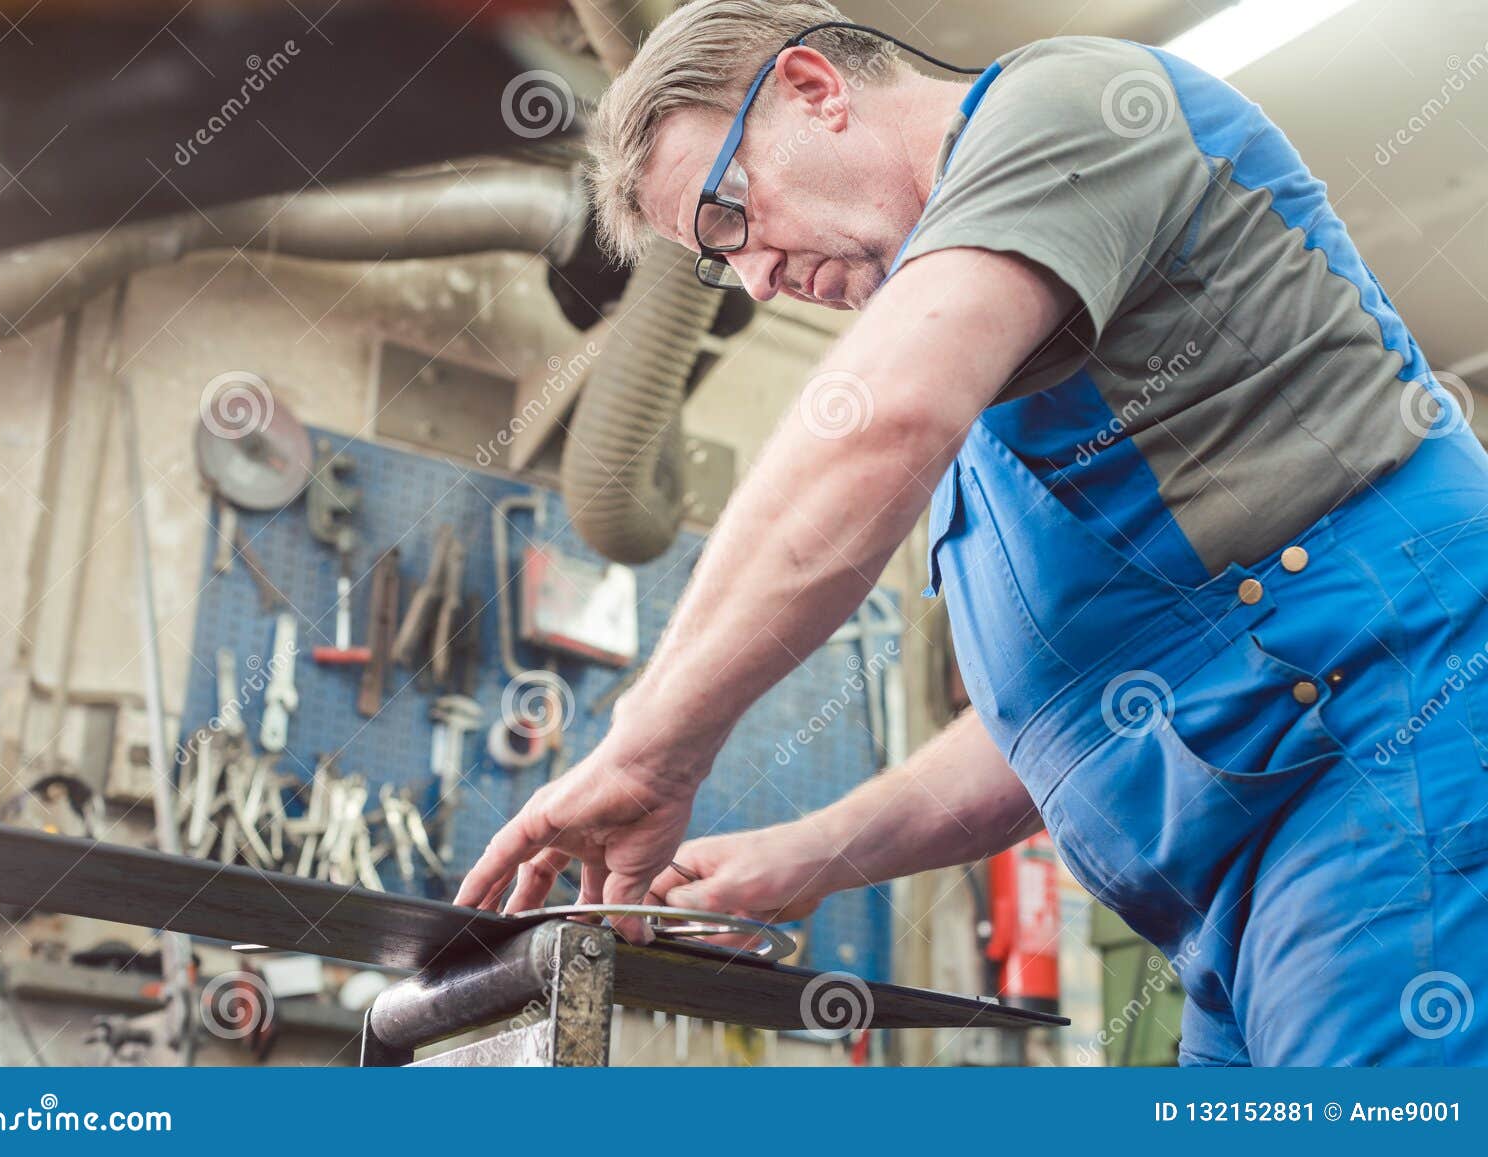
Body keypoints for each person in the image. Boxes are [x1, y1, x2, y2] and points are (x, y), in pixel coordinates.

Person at [460, 0, 1488, 1065]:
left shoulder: (1073, 103)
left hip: (1401, 764)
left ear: (813, 90)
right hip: (1234, 914)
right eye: (717, 261)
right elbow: (1062, 729)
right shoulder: (990, 398)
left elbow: (875, 423)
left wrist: (646, 749)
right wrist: (804, 854)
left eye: (727, 214)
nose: (756, 277)